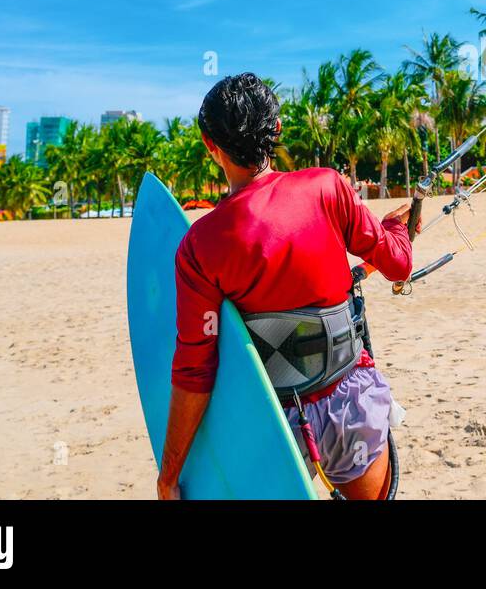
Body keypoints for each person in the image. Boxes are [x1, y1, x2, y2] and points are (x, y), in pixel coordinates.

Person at [156, 73, 413, 500]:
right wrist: (394, 228)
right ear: (276, 130)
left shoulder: (200, 246)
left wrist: (170, 475)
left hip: (270, 423)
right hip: (347, 402)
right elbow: (398, 265)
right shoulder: (327, 187)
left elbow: (194, 370)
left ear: (210, 145)